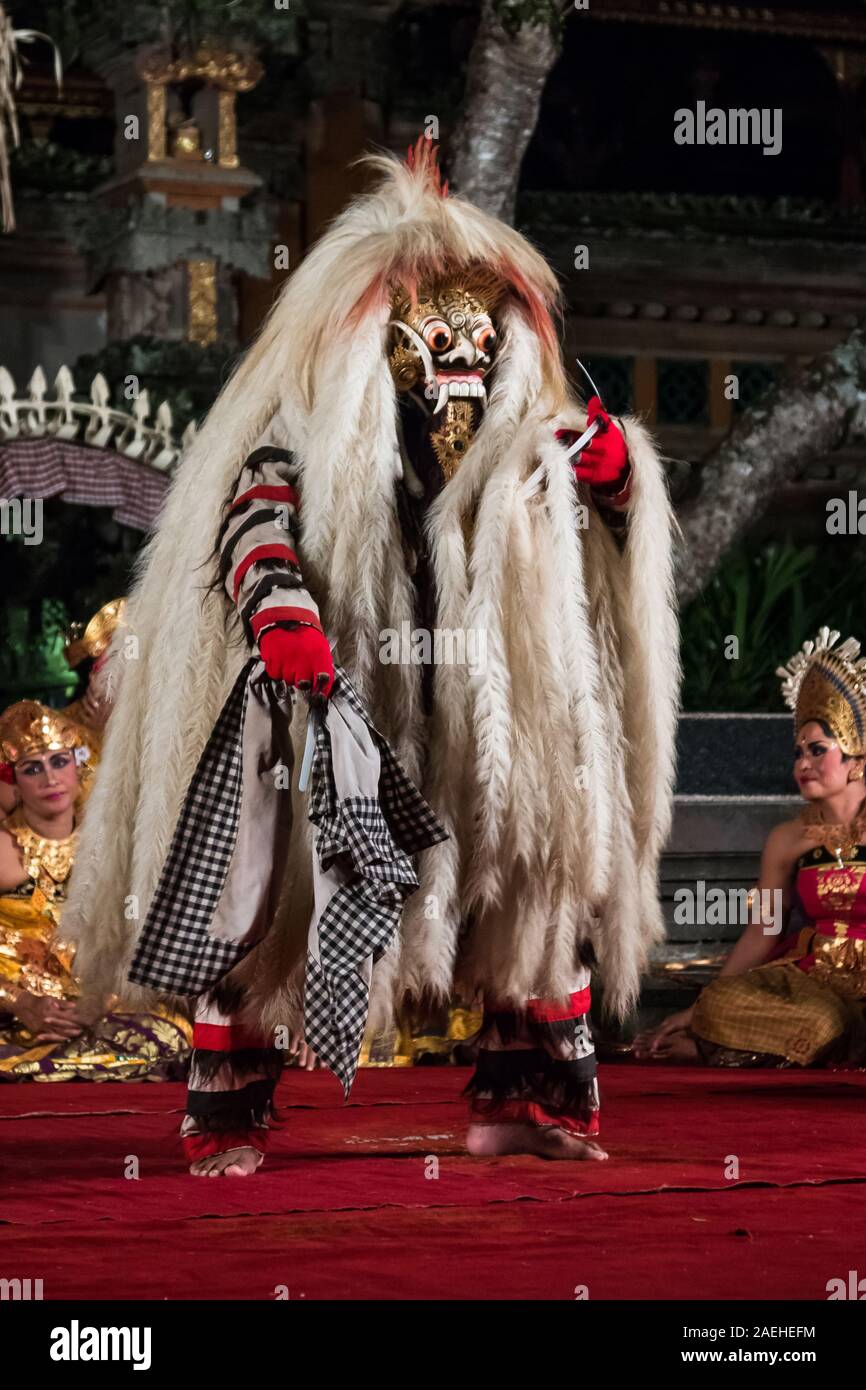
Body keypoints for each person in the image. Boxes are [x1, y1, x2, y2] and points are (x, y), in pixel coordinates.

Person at [65, 138, 678, 1173]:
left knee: (530, 893)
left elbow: (611, 543)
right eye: (429, 336)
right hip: (337, 707)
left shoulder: (536, 437)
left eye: (476, 337)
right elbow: (250, 516)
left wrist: (622, 487)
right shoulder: (304, 430)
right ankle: (227, 1115)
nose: (457, 359)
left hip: (498, 717)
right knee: (270, 903)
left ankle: (525, 1102)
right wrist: (282, 614)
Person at [636, 628, 866, 1068]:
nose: (802, 763)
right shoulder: (786, 840)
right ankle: (727, 1040)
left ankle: (720, 1051)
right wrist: (700, 1008)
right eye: (798, 752)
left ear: (856, 757)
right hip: (813, 988)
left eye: (818, 750)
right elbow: (765, 930)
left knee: (827, 1024)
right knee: (753, 1008)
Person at [0, 700, 191, 1080]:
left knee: (167, 1035)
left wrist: (105, 997)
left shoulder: (110, 844)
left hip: (104, 1007)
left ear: (78, 765)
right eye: (32, 768)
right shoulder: (4, 849)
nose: (50, 778)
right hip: (20, 1009)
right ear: (15, 783)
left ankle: (47, 1064)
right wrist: (19, 1002)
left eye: (59, 761)